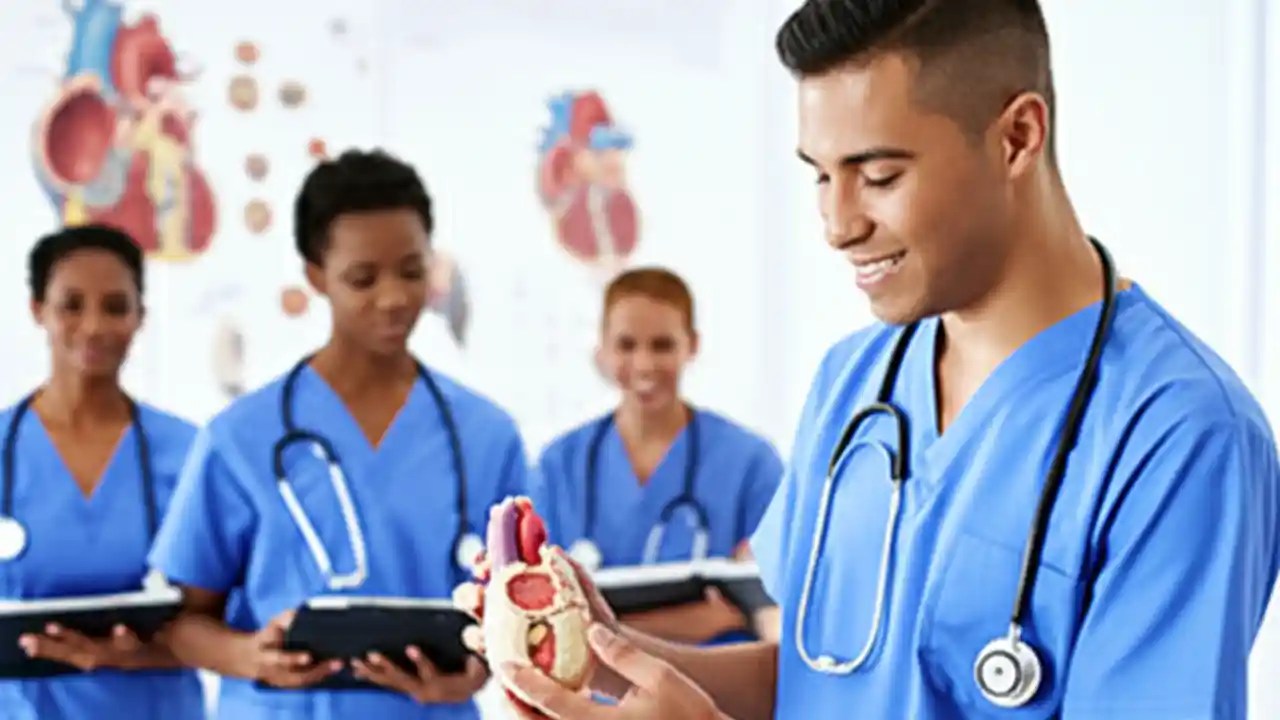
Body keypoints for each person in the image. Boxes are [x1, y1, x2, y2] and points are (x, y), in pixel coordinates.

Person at [465, 1, 1280, 718]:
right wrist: (606, 660)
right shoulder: (855, 385)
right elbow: (821, 684)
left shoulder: (1179, 434)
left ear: (1018, 138)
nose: (837, 223)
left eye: (878, 175)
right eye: (820, 176)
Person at [149, 149, 528, 719]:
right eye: (362, 278)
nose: (395, 298)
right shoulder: (240, 438)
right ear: (315, 275)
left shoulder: (486, 434)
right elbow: (181, 621)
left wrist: (480, 671)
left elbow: (528, 610)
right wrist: (248, 656)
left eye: (412, 270)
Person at [0, 225, 205, 719]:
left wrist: (134, 655)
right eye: (71, 304)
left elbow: (230, 625)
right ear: (37, 310)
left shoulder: (191, 454)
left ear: (140, 318)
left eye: (115, 307)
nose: (93, 326)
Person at [533, 268, 783, 646]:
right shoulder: (560, 465)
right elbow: (538, 614)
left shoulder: (751, 464)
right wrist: (700, 619)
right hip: (596, 699)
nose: (645, 364)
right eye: (626, 345)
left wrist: (600, 627)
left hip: (712, 694)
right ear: (601, 348)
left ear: (692, 345)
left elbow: (768, 610)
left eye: (663, 345)